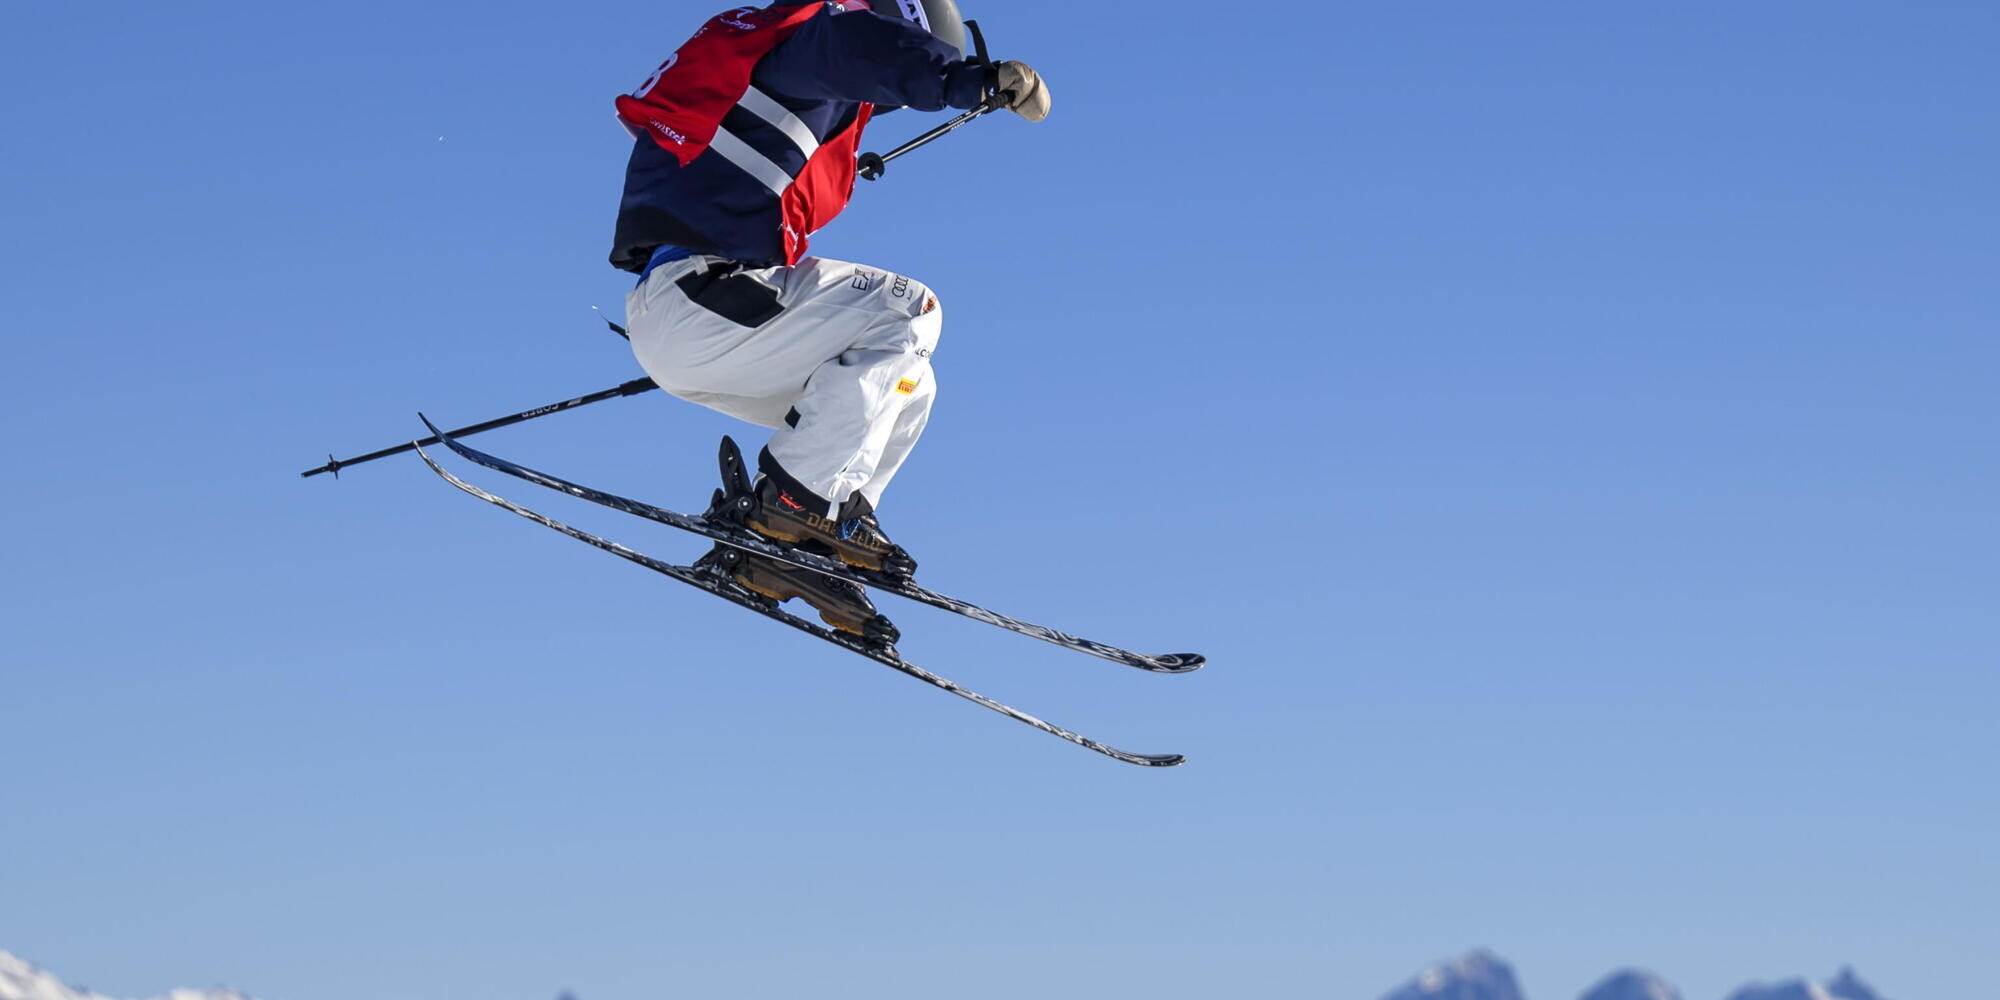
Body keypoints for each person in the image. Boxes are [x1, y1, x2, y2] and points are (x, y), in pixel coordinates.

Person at [610, 0, 1049, 642]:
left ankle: (813, 537)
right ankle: (793, 504)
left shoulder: (764, 67)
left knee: (908, 385)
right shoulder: (816, 34)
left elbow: (848, 77)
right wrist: (965, 81)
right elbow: (856, 47)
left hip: (705, 318)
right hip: (703, 294)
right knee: (911, 308)